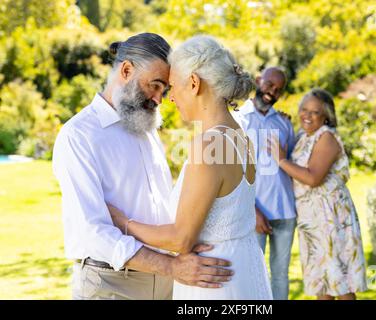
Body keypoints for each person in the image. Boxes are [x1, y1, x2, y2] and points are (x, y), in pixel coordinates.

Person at [52, 33, 234, 300]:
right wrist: (172, 266)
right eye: (155, 85)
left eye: (165, 90)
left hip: (168, 281)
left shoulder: (145, 127)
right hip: (112, 284)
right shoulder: (78, 135)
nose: (159, 99)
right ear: (126, 70)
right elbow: (92, 232)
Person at [107, 35, 273, 300]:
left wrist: (121, 222)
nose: (169, 98)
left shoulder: (209, 145)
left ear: (194, 83)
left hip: (213, 282)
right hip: (242, 269)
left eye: (173, 87)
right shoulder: (239, 135)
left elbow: (180, 239)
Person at [268, 88, 368, 300]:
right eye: (304, 110)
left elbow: (313, 178)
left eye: (314, 112)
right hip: (311, 217)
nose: (307, 115)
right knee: (320, 280)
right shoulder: (304, 136)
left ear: (326, 116)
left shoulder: (327, 138)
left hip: (330, 217)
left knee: (339, 280)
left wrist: (281, 160)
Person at [233, 67, 297, 300]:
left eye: (278, 89)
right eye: (269, 84)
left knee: (280, 274)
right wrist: (253, 210)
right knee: (253, 275)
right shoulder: (237, 120)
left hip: (286, 212)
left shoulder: (284, 124)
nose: (272, 91)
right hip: (253, 214)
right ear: (258, 80)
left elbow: (291, 165)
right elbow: (232, 173)